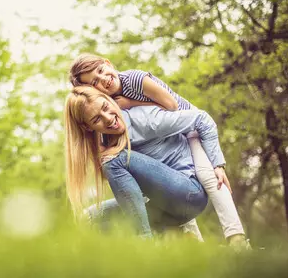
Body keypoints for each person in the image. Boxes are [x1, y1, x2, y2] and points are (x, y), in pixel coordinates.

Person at [68, 55, 249, 247]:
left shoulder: (137, 90)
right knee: (89, 217)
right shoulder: (107, 133)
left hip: (192, 143)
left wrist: (217, 162)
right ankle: (189, 244)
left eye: (106, 108)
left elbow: (177, 108)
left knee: (210, 175)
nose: (107, 118)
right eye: (96, 120)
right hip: (167, 194)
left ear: (108, 64)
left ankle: (236, 238)